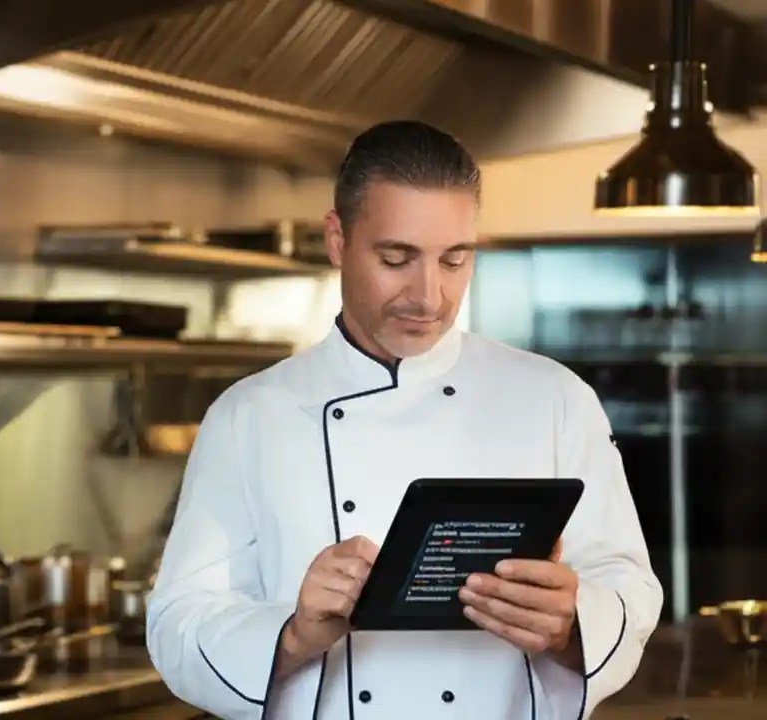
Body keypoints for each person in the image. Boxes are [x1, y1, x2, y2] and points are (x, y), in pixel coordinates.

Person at [145, 120, 662, 719]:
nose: (429, 296)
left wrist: (572, 624)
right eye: (397, 258)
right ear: (337, 239)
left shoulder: (553, 399)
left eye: (454, 260)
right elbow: (178, 622)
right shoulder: (250, 414)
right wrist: (292, 633)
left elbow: (628, 586)